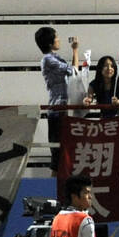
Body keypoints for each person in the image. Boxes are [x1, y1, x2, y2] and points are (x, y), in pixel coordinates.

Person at [36, 26, 82, 170]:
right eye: (56, 37)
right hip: (58, 109)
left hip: (63, 107)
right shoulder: (48, 60)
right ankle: (55, 188)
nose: (59, 40)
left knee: (65, 152)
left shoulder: (54, 58)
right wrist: (75, 50)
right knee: (58, 154)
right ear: (50, 43)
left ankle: (61, 187)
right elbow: (74, 70)